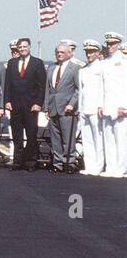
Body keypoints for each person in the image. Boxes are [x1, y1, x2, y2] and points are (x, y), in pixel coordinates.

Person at [3, 37, 46, 171]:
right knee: (17, 136)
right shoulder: (12, 63)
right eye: (20, 47)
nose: (22, 49)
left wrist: (39, 103)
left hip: (31, 106)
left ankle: (31, 162)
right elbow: (7, 85)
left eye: (24, 46)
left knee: (31, 135)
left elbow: (41, 86)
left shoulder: (37, 63)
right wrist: (7, 101)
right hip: (15, 106)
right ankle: (17, 162)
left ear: (29, 47)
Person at [44, 40, 82, 173]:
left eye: (62, 52)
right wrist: (46, 108)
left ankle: (70, 163)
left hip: (67, 109)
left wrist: (72, 104)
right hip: (53, 108)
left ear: (69, 54)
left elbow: (79, 89)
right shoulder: (52, 68)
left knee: (68, 138)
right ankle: (58, 163)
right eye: (57, 52)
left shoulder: (75, 68)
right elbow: (47, 89)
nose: (59, 54)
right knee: (55, 138)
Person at [77, 40, 106, 176]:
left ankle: (98, 166)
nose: (89, 54)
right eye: (87, 52)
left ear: (98, 53)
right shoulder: (84, 69)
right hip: (84, 108)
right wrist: (79, 109)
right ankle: (89, 165)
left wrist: (101, 105)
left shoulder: (101, 68)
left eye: (92, 52)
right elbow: (81, 91)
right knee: (87, 139)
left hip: (95, 108)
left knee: (98, 139)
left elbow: (103, 89)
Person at [100, 31, 127, 178]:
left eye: (112, 44)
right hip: (107, 105)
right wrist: (100, 106)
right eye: (108, 44)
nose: (109, 46)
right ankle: (110, 167)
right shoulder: (104, 63)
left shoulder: (124, 61)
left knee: (121, 139)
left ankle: (121, 168)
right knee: (108, 139)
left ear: (118, 44)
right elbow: (102, 87)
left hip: (120, 107)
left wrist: (125, 106)